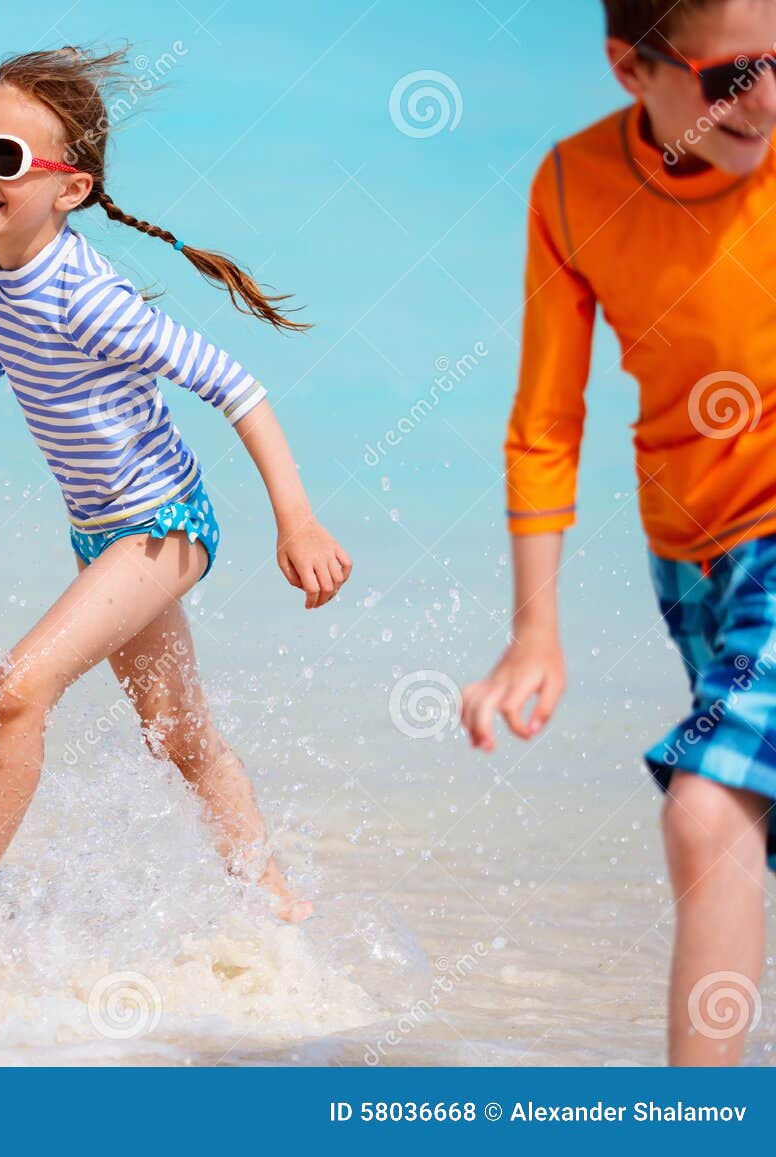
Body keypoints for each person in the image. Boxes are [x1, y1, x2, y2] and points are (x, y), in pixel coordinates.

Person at [0, 46, 351, 963]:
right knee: (177, 736)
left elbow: (236, 383)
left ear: (69, 188)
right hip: (101, 535)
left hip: (164, 527)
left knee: (16, 690)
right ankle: (270, 898)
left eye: (5, 158)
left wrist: (298, 519)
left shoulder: (91, 298)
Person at [462, 0, 776, 1065]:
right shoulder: (571, 187)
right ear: (630, 68)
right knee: (737, 822)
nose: (768, 97)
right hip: (691, 556)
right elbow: (546, 422)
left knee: (708, 809)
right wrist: (534, 629)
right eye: (736, 73)